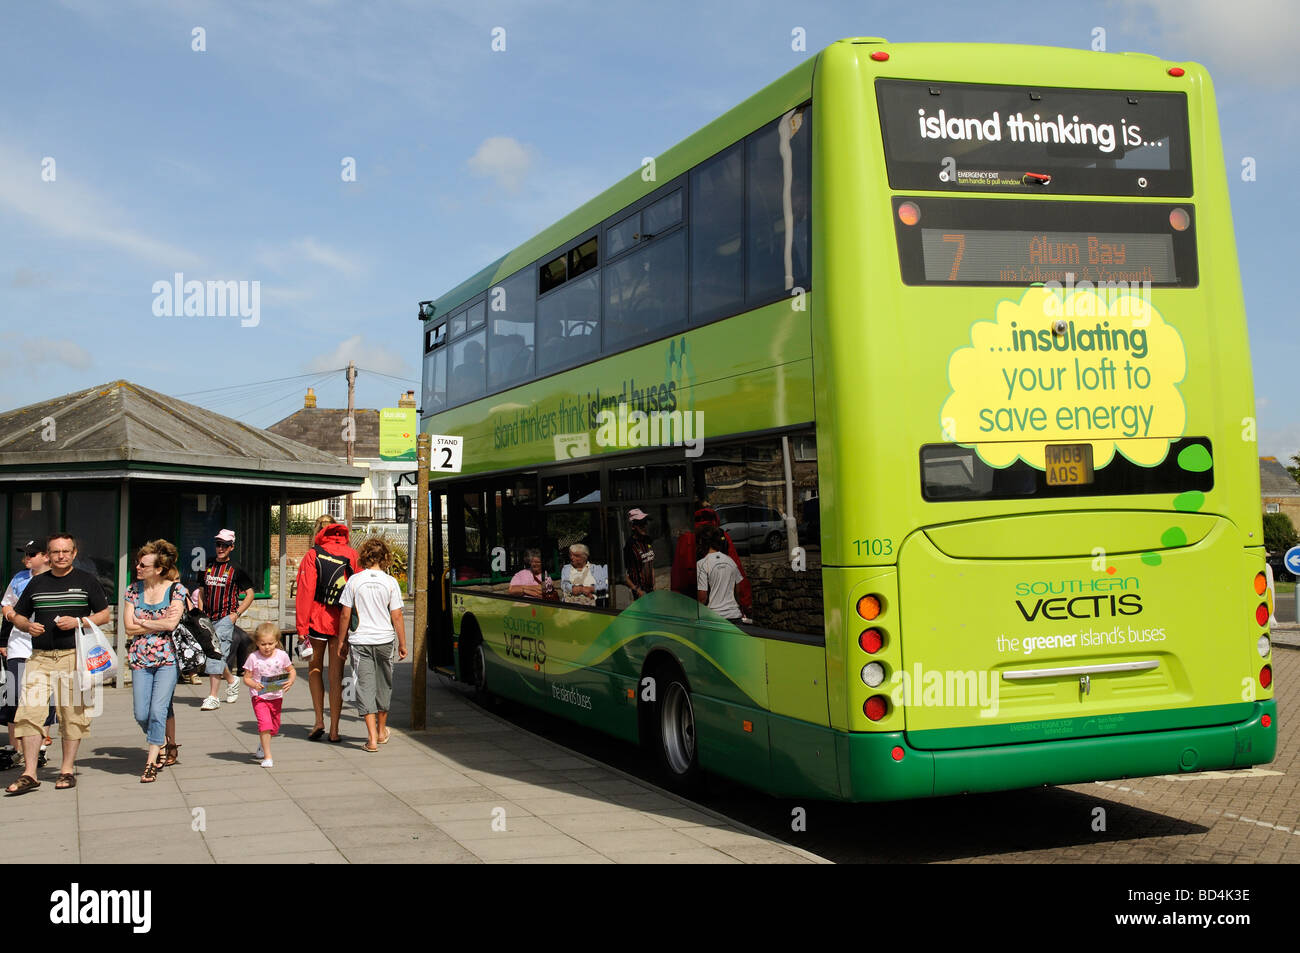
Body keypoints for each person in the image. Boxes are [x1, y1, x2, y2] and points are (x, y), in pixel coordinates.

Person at [4, 533, 110, 795]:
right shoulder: (37, 583)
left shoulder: (86, 581)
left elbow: (105, 615)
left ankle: (66, 769)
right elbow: (16, 615)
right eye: (55, 552)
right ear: (48, 556)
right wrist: (27, 625)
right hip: (39, 657)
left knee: (72, 715)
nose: (61, 556)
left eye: (66, 551)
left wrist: (79, 622)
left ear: (74, 553)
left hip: (72, 657)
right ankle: (29, 773)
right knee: (29, 714)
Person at [123, 541, 186, 782]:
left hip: (168, 658)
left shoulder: (176, 590)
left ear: (158, 569)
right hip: (140, 658)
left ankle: (151, 762)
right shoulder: (132, 590)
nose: (137, 567)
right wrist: (153, 624)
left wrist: (144, 623)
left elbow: (171, 625)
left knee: (158, 710)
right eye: (137, 563)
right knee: (141, 713)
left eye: (143, 564)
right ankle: (160, 743)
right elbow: (128, 627)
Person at [338, 537, 408, 752]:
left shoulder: (354, 581)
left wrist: (342, 641)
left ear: (364, 556)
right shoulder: (390, 582)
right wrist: (403, 643)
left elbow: (345, 614)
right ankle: (382, 729)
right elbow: (396, 616)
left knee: (365, 686)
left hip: (360, 641)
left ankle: (371, 739)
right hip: (385, 640)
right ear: (386, 557)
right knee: (384, 684)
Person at [295, 517, 359, 742]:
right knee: (337, 675)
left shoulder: (313, 555)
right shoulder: (352, 555)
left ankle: (319, 720)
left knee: (314, 669)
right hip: (341, 621)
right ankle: (334, 729)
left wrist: (301, 627)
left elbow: (305, 592)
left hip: (316, 620)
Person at [0, 541, 57, 771]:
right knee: (14, 696)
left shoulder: (57, 579)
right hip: (18, 645)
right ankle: (16, 750)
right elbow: (6, 607)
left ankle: (40, 748)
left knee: (42, 699)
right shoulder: (19, 578)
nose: (27, 559)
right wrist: (7, 632)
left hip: (47, 647)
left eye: (31, 554)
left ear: (45, 556)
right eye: (25, 555)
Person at [194, 529, 254, 711]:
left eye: (225, 545)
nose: (220, 548)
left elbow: (250, 593)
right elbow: (202, 591)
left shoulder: (236, 569)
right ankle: (231, 679)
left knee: (216, 654)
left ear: (231, 547)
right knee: (211, 652)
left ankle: (213, 696)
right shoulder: (207, 565)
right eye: (218, 544)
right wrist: (200, 613)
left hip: (226, 618)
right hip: (208, 617)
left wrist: (236, 613)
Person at [671, 506, 752, 612]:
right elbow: (737, 572)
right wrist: (746, 603)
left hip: (692, 607)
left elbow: (677, 578)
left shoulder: (684, 540)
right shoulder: (723, 537)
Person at [242, 623, 296, 768]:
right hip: (259, 697)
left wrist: (290, 681)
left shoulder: (282, 655)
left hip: (276, 696)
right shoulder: (253, 657)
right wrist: (253, 684)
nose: (267, 647)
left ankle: (262, 743)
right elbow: (246, 677)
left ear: (277, 642)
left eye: (270, 643)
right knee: (264, 724)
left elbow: (291, 670)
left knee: (274, 727)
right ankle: (268, 756)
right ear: (257, 643)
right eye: (263, 644)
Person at [696, 525, 746, 621]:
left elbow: (702, 597)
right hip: (735, 616)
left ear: (702, 543)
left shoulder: (701, 564)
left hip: (715, 618)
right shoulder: (730, 560)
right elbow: (738, 590)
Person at [622, 509, 656, 601]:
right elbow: (623, 574)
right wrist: (637, 590)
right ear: (633, 526)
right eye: (641, 524)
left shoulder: (648, 540)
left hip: (651, 591)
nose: (644, 526)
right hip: (639, 593)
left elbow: (650, 563)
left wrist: (653, 584)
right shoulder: (630, 546)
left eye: (645, 523)